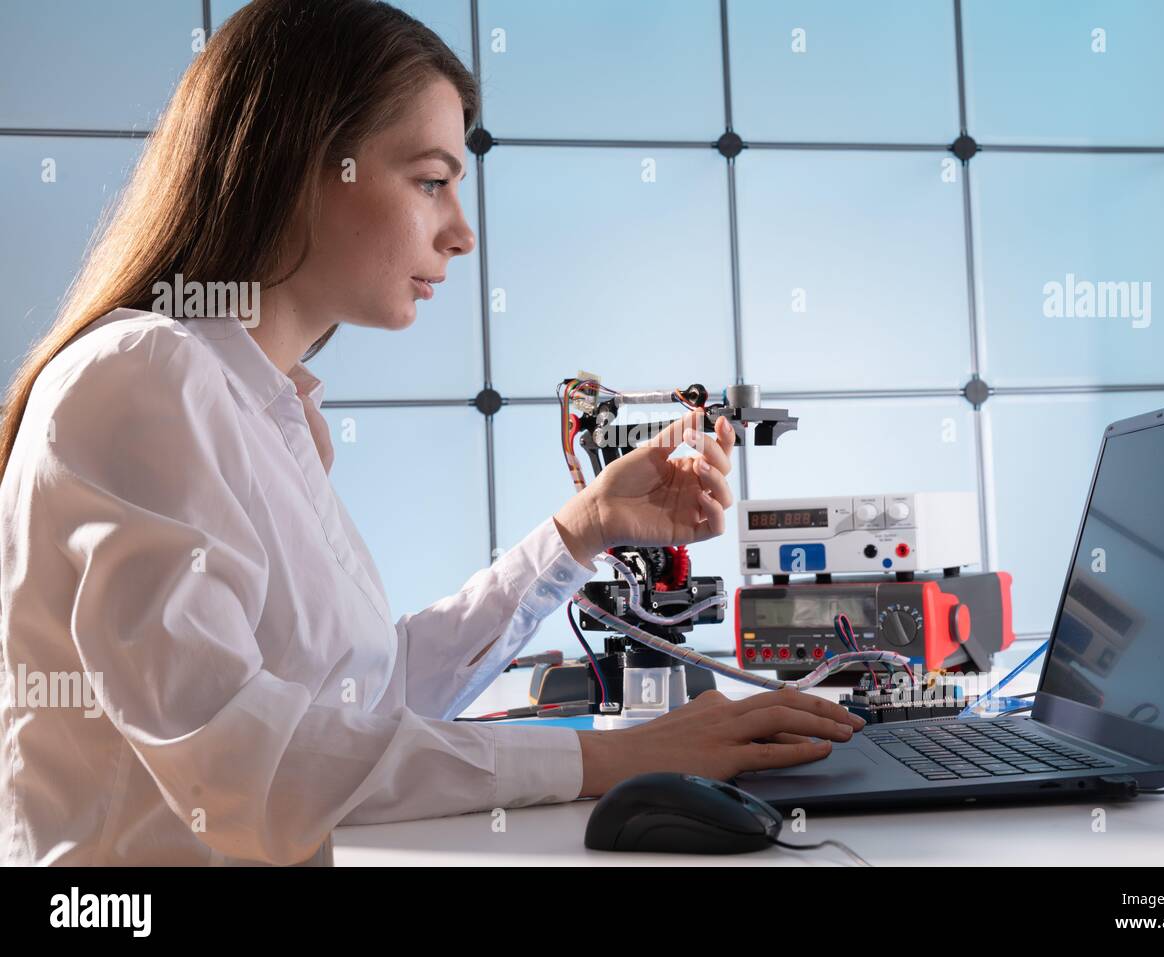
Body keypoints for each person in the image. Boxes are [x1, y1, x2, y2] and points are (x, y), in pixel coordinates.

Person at [0, 0, 863, 866]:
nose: (461, 232)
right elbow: (240, 760)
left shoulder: (265, 407)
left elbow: (366, 704)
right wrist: (611, 757)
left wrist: (581, 530)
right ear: (308, 162)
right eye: (429, 181)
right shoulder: (141, 375)